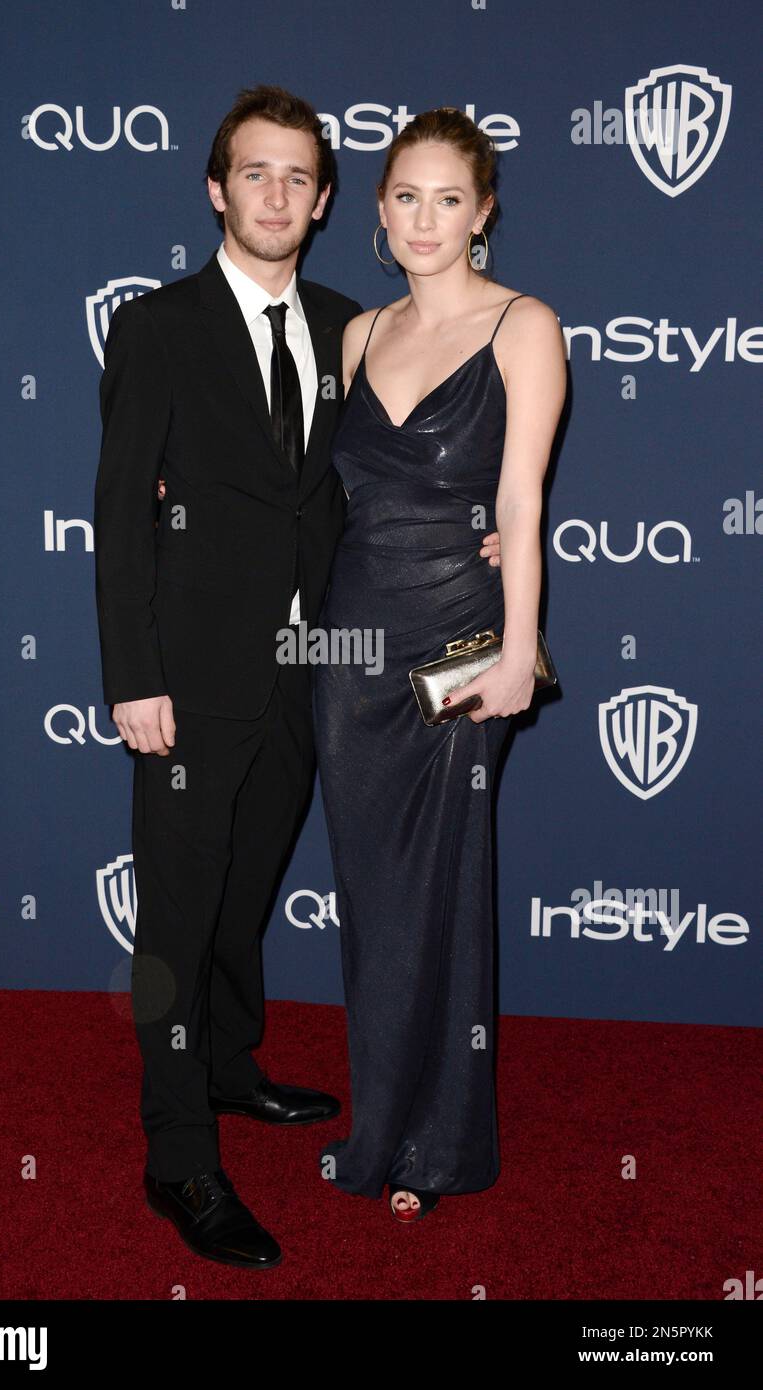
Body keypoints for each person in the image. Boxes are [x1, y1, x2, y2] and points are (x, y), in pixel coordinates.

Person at [95, 83, 506, 1268]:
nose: (276, 195)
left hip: (312, 668)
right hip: (184, 676)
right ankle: (180, 1158)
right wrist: (134, 675)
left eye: (298, 178)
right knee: (176, 915)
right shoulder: (157, 327)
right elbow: (120, 516)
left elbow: (385, 476)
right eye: (254, 174)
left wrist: (481, 533)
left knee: (245, 894)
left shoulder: (348, 325)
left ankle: (229, 1069)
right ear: (217, 190)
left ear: (326, 202)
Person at [313, 107, 566, 1221]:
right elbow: (319, 495)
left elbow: (522, 498)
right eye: (404, 197)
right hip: (353, 645)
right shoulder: (358, 336)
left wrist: (519, 651)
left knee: (444, 893)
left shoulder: (525, 324)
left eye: (448, 199)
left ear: (485, 211)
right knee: (372, 901)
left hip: (464, 647)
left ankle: (439, 1141)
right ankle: (378, 1125)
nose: (425, 219)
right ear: (376, 210)